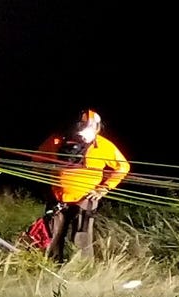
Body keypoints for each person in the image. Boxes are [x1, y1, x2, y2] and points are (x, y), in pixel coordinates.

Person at [36, 109, 132, 263]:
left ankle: (82, 271)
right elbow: (36, 160)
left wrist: (104, 188)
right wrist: (46, 180)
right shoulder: (56, 141)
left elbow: (123, 167)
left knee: (81, 237)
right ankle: (50, 269)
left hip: (86, 198)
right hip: (58, 198)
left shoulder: (103, 146)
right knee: (52, 236)